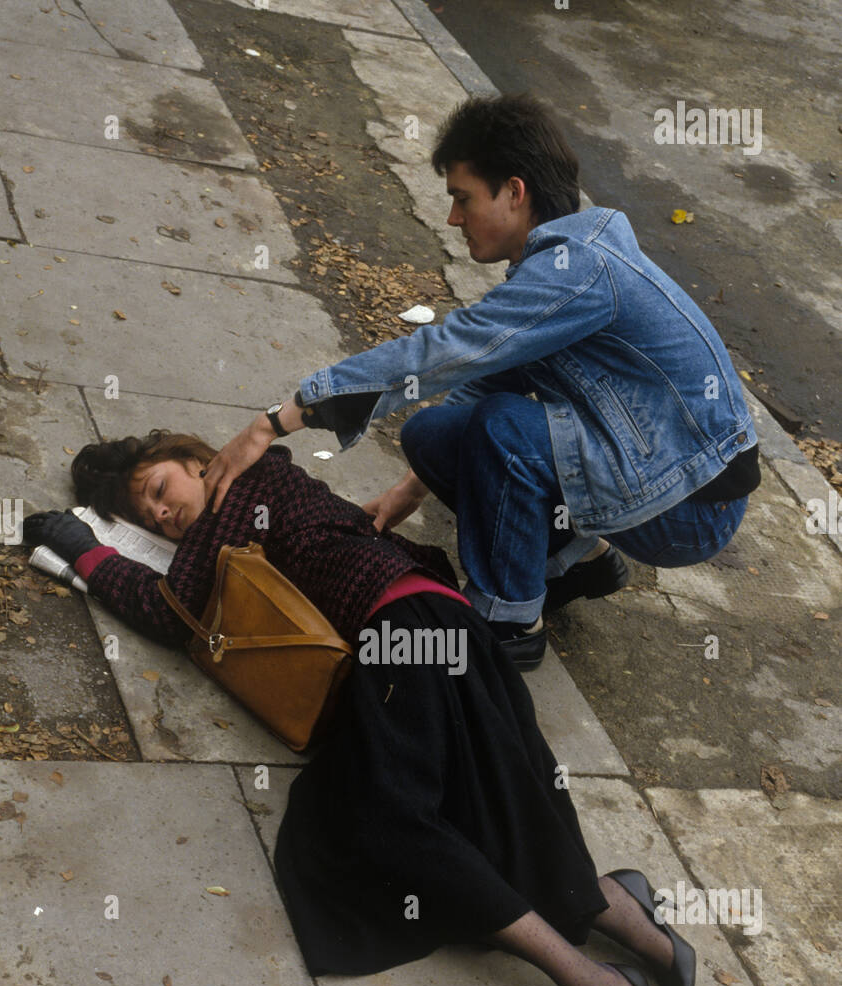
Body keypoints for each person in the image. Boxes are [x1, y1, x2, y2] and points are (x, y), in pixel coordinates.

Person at [22, 431, 696, 986]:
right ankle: (621, 909)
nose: (162, 516)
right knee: (483, 810)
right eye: (147, 518)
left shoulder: (238, 490)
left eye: (159, 491)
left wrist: (89, 552)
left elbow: (167, 611)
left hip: (405, 632)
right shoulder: (262, 492)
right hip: (445, 629)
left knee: (385, 824)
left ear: (199, 461)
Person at [202, 93, 759, 669]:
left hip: (692, 505)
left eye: (462, 199)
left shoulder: (579, 271)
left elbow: (445, 349)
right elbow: (491, 373)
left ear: (515, 193)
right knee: (436, 435)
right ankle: (568, 563)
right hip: (656, 468)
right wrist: (409, 488)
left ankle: (509, 624)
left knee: (503, 430)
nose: (452, 219)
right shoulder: (563, 260)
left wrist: (278, 419)